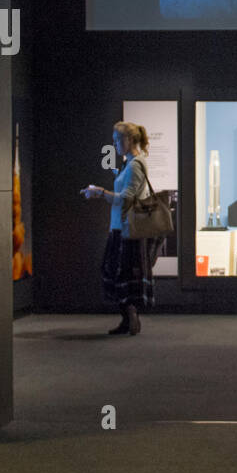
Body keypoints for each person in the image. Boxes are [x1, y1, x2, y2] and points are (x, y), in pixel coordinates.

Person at [81, 122, 158, 335]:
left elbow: (126, 200)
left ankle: (131, 317)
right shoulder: (129, 163)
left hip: (127, 230)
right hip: (120, 228)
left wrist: (99, 192)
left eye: (118, 140)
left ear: (130, 140)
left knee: (120, 274)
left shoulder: (135, 165)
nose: (115, 144)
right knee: (117, 273)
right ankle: (128, 318)